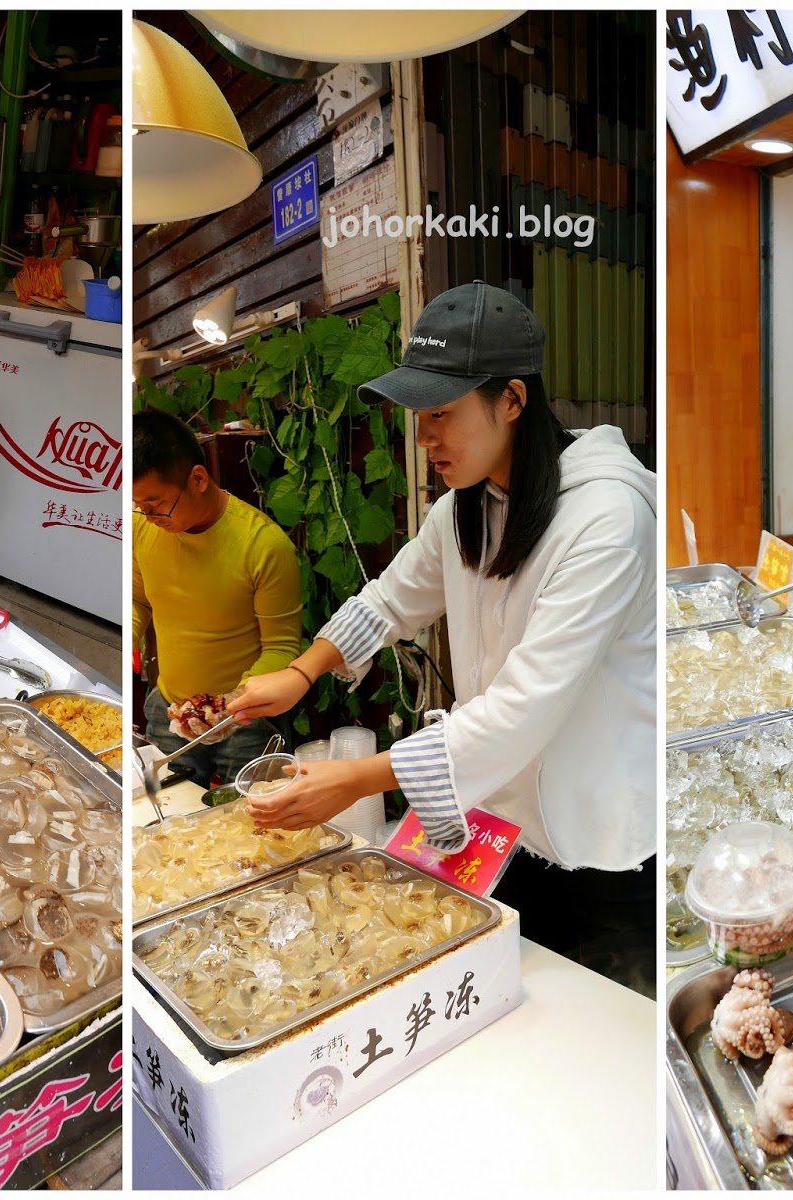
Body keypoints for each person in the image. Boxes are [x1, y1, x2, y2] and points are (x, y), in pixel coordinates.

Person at [228, 281, 658, 995]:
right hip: (505, 829)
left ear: (513, 400)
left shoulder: (607, 521)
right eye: (418, 416)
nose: (424, 438)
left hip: (600, 852)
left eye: (441, 415)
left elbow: (517, 713)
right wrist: (301, 673)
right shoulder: (472, 501)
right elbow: (393, 598)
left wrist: (356, 780)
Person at [131, 408, 303, 786]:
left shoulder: (264, 545)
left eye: (156, 506)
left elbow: (283, 645)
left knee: (253, 825)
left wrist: (235, 701)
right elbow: (139, 600)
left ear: (197, 479)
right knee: (165, 819)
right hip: (167, 709)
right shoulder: (144, 529)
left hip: (247, 719)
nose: (147, 517)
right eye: (139, 507)